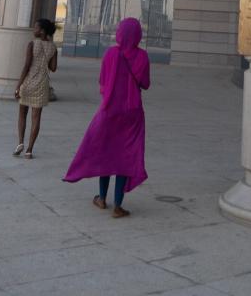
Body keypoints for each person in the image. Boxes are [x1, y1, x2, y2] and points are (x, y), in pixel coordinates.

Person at [63, 17, 150, 217]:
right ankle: (118, 206)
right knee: (125, 156)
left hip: (110, 110)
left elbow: (102, 82)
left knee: (106, 152)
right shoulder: (142, 56)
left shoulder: (111, 54)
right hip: (133, 113)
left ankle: (102, 198)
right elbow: (145, 84)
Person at [13, 17, 57, 158]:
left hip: (29, 82)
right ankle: (29, 150)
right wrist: (46, 60)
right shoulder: (53, 47)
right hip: (42, 84)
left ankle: (20, 142)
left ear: (42, 31)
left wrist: (18, 86)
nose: (34, 30)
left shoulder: (32, 44)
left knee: (22, 114)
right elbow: (53, 68)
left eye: (36, 28)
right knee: (36, 118)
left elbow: (26, 66)